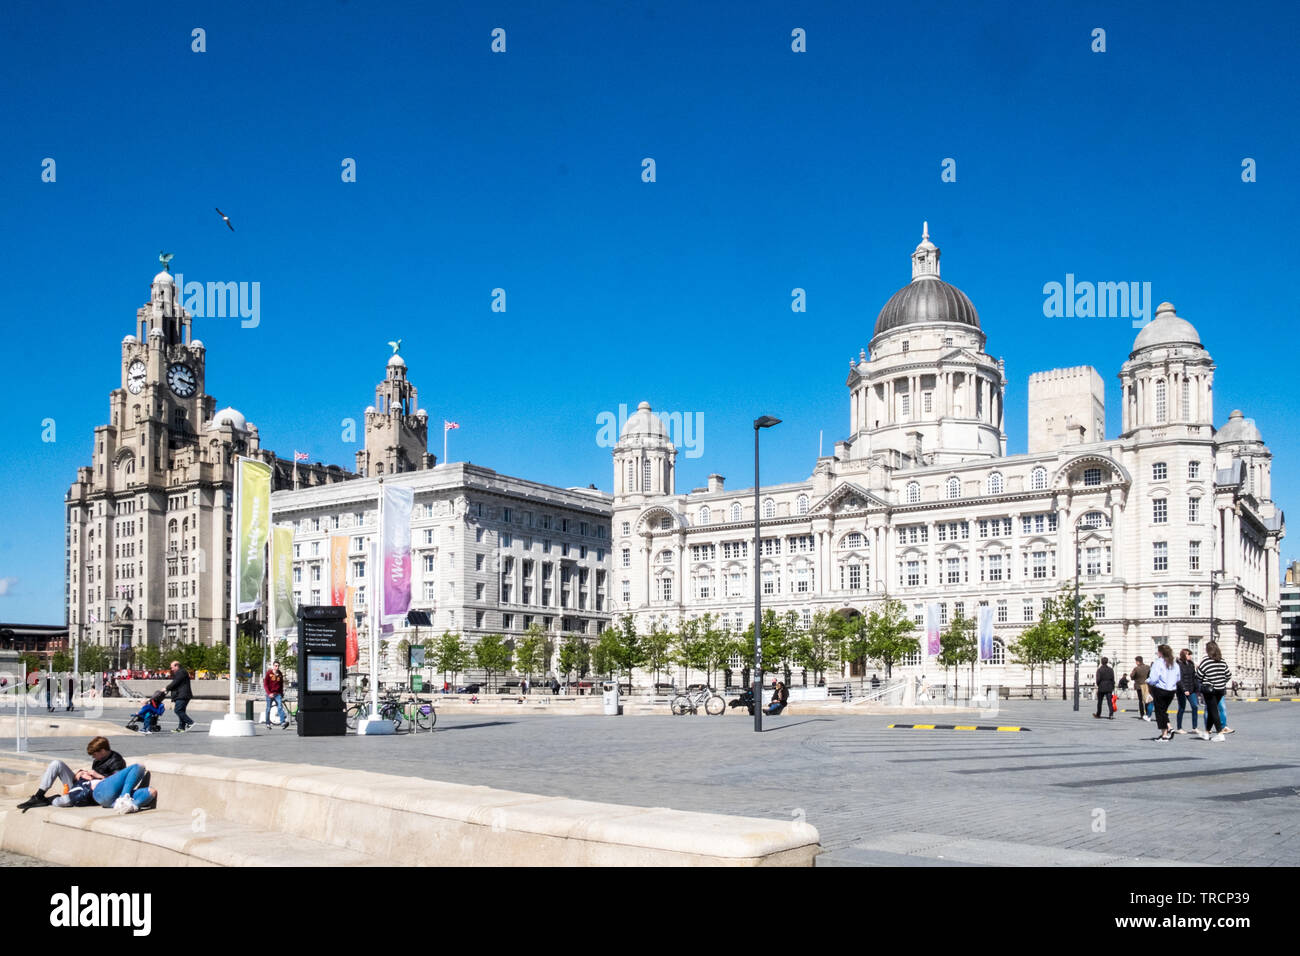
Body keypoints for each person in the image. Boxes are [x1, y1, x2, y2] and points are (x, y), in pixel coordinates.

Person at [15, 736, 127, 810]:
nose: (93, 757)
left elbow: (116, 783)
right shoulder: (99, 759)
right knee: (56, 764)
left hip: (91, 794)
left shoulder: (117, 761)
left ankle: (49, 800)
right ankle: (39, 796)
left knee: (60, 802)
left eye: (94, 755)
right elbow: (90, 775)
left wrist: (98, 776)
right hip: (82, 785)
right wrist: (81, 773)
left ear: (102, 751)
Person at [1197, 641, 1232, 742]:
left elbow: (1199, 675)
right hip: (1220, 689)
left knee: (1213, 711)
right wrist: (1221, 682)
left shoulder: (1206, 661)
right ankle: (1207, 732)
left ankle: (1220, 733)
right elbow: (1228, 675)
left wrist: (1206, 681)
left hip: (1209, 690)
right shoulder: (1222, 661)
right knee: (1213, 710)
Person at [1146, 645, 1179, 741]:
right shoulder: (1174, 663)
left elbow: (1154, 678)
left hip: (1160, 689)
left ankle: (1164, 735)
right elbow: (1178, 677)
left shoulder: (1158, 662)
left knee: (1159, 712)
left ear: (1160, 653)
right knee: (1163, 710)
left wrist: (1148, 681)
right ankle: (1169, 727)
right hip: (1171, 690)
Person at [1174, 648, 1200, 735]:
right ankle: (1179, 727)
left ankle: (1194, 727)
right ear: (1183, 655)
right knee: (1182, 708)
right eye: (1188, 654)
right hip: (1181, 690)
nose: (1190, 656)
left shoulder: (1191, 664)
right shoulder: (1178, 665)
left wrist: (1197, 689)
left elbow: (1194, 677)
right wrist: (1184, 689)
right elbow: (1178, 679)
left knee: (1195, 706)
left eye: (1190, 654)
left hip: (1191, 689)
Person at [165, 659, 195, 733]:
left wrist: (166, 688)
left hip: (182, 695)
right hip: (182, 695)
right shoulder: (181, 672)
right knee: (181, 711)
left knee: (178, 710)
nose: (171, 669)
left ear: (176, 666)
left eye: (172, 667)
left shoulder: (181, 672)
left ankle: (190, 722)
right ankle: (181, 728)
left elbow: (175, 682)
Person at [263, 661, 288, 728]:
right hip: (270, 694)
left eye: (278, 666)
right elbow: (265, 684)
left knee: (280, 707)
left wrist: (282, 693)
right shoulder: (269, 673)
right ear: (273, 666)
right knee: (268, 709)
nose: (277, 667)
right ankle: (267, 723)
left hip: (278, 694)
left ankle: (283, 722)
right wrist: (269, 693)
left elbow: (281, 684)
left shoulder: (280, 674)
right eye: (276, 666)